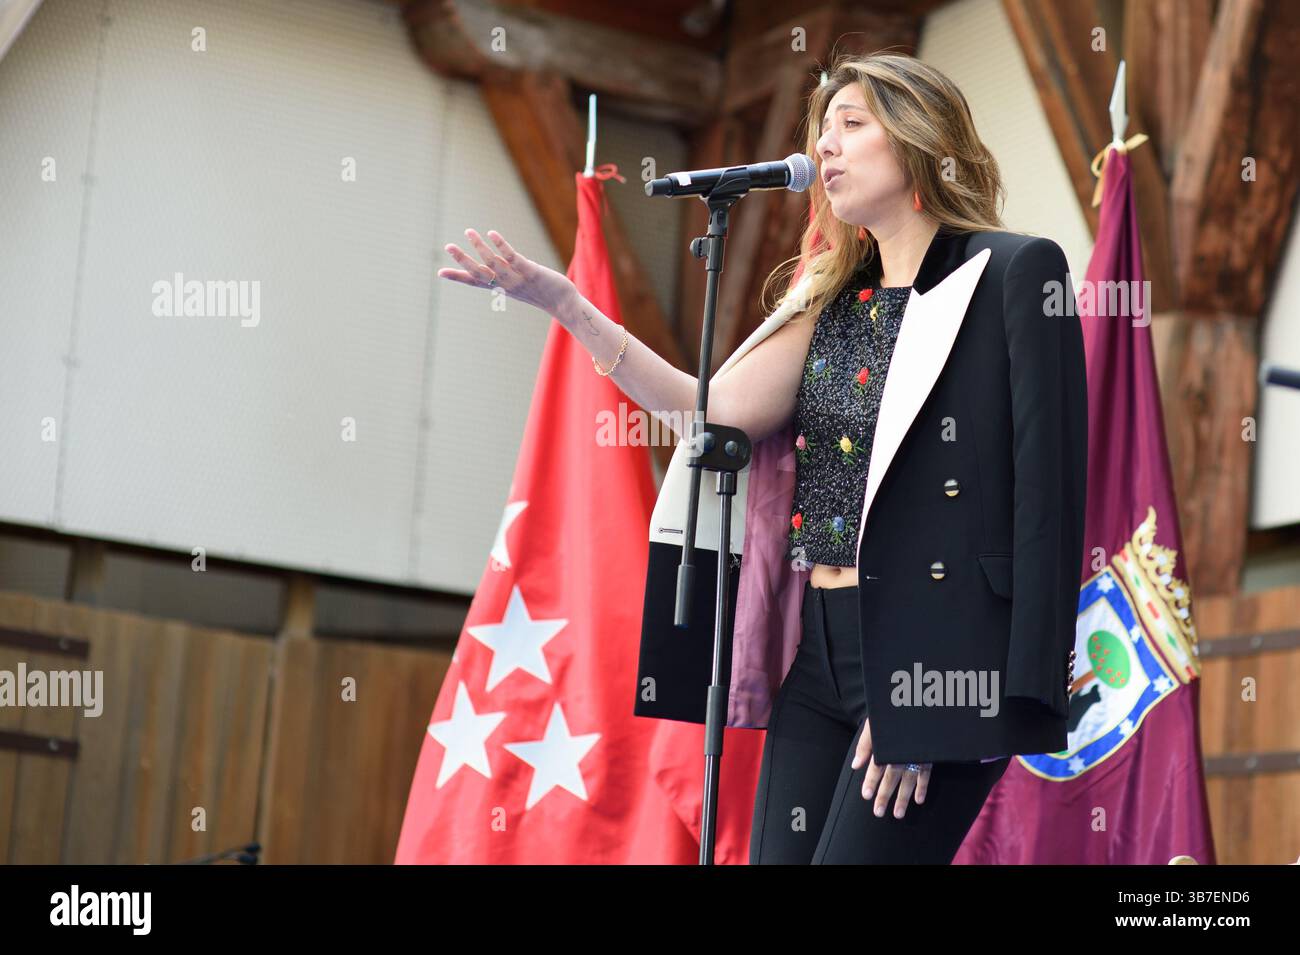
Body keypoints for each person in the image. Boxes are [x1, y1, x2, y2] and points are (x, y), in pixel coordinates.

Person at [438, 52, 1087, 864]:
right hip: (820, 652)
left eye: (853, 125)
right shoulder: (834, 300)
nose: (827, 149)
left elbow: (1049, 501)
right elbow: (703, 409)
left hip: (936, 657)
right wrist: (568, 306)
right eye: (823, 132)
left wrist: (940, 699)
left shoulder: (1013, 271)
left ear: (922, 139)